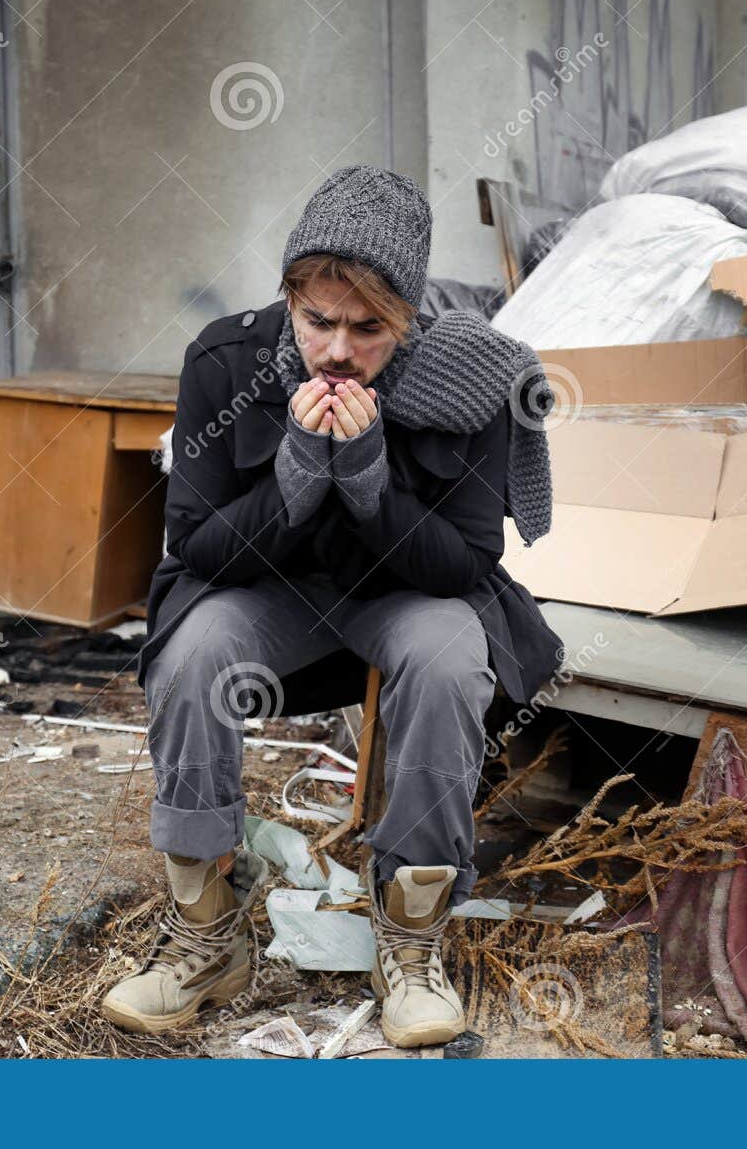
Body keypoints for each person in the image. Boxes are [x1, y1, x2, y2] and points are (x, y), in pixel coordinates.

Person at [102, 165, 562, 1048]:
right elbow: (195, 545)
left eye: (369, 328)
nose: (339, 351)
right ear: (288, 302)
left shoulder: (474, 383)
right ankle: (206, 935)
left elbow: (464, 562)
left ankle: (411, 937)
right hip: (266, 590)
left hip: (401, 592)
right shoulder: (226, 362)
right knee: (195, 650)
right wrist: (296, 477)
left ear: (411, 317)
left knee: (448, 655)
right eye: (318, 322)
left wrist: (365, 479)